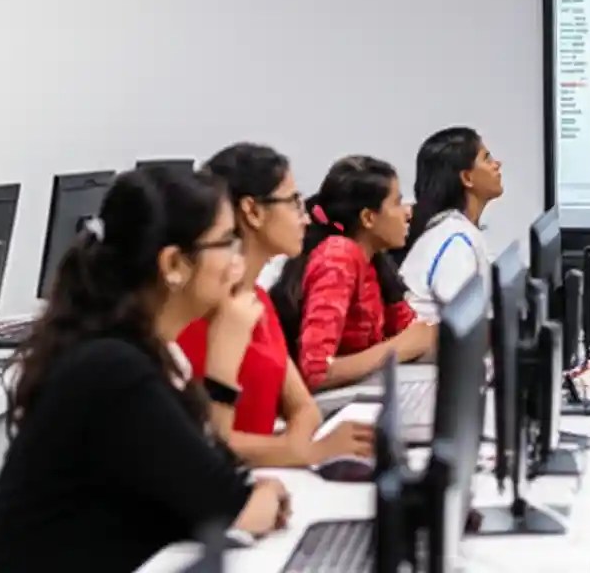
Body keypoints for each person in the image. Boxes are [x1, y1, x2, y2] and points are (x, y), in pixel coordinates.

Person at [0, 167, 289, 573]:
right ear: (175, 263)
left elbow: (210, 475)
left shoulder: (141, 352)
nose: (239, 260)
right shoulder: (113, 368)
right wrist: (226, 358)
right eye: (227, 243)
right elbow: (234, 509)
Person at [176, 143, 373, 466]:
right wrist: (301, 452)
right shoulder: (199, 313)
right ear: (252, 211)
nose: (305, 217)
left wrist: (291, 451)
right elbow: (206, 438)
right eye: (294, 202)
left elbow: (304, 407)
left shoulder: (258, 300)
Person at [269, 155, 436, 390]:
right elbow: (316, 371)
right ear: (368, 218)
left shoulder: (375, 261)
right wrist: (397, 348)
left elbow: (411, 331)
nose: (408, 212)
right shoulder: (338, 257)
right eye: (397, 203)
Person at [395, 127, 503, 319]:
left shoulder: (457, 230)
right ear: (467, 178)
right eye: (487, 159)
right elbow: (468, 323)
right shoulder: (454, 240)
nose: (497, 164)